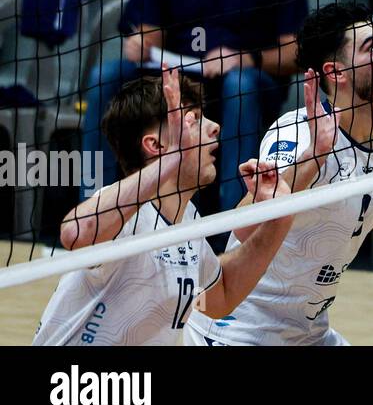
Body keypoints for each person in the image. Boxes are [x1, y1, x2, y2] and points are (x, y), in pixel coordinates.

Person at [184, 4, 373, 346]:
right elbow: (245, 221)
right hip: (238, 332)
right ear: (336, 72)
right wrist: (313, 158)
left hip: (309, 333)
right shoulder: (296, 134)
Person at [81, 0, 310, 212]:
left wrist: (248, 57)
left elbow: (296, 53)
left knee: (241, 84)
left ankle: (235, 221)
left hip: (246, 82)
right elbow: (151, 30)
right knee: (105, 76)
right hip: (179, 81)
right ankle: (95, 206)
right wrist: (141, 42)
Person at [35, 67, 296, 345]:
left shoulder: (188, 221)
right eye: (194, 120)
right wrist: (171, 159)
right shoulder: (124, 212)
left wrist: (280, 218)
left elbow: (219, 298)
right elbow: (76, 233)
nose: (214, 126)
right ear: (156, 145)